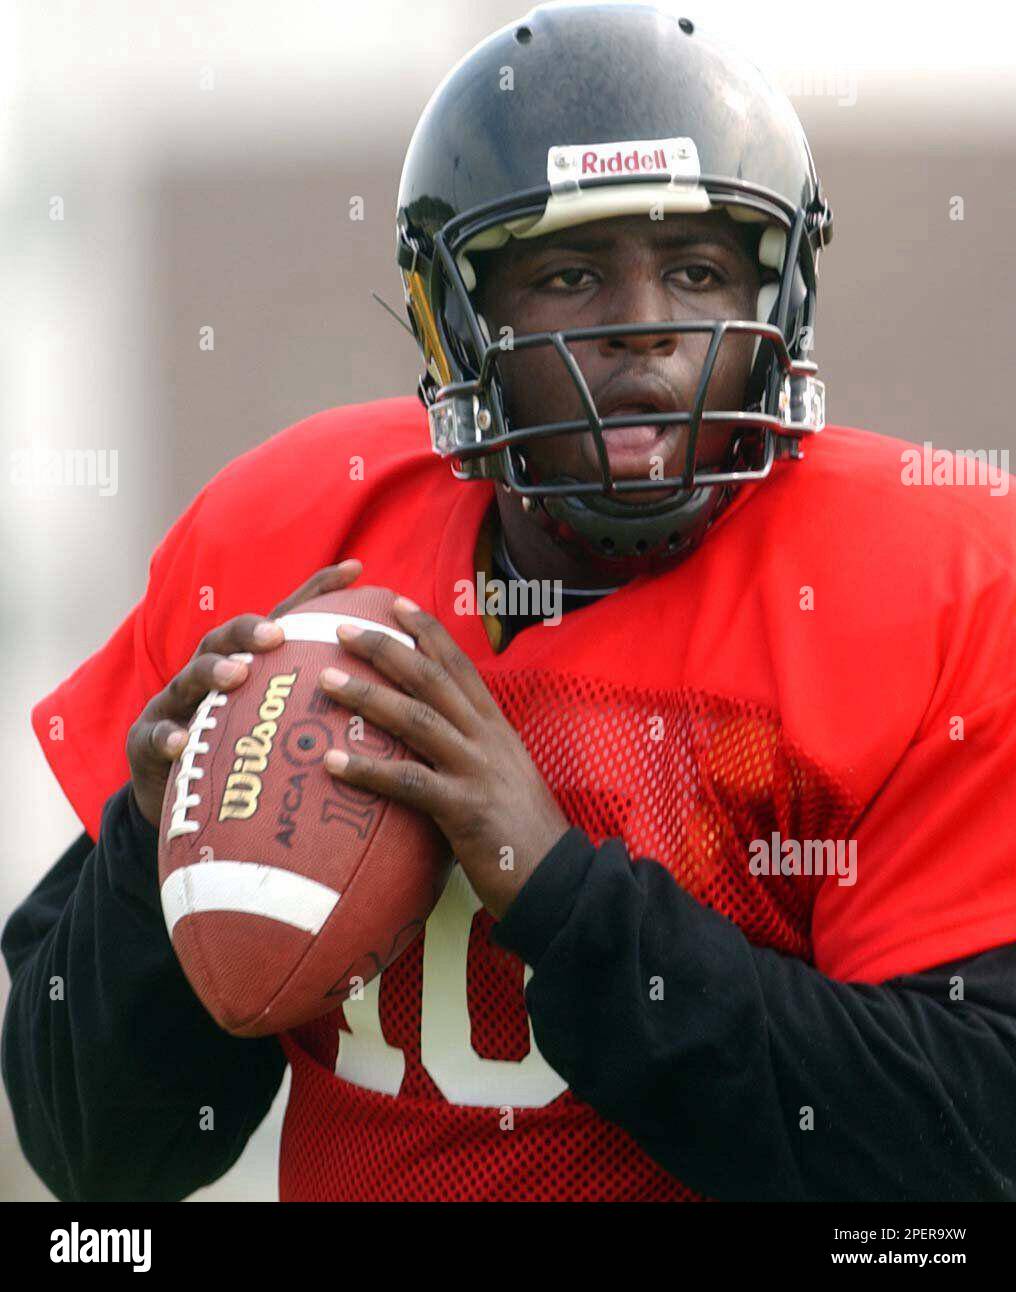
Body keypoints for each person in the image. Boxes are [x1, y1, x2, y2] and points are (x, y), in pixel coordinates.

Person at [5, 2, 1016, 1202]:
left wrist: (558, 894)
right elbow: (103, 1160)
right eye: (569, 274)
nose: (642, 330)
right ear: (461, 321)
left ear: (777, 298)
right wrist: (146, 864)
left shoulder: (935, 584)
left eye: (696, 269)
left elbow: (957, 1164)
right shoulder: (300, 539)